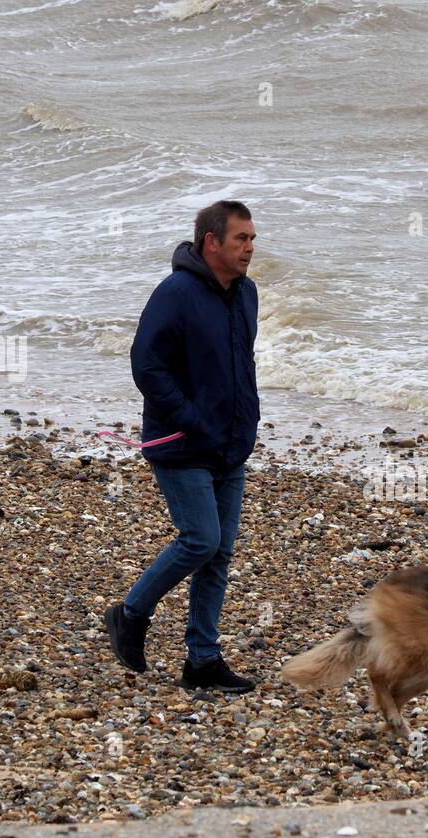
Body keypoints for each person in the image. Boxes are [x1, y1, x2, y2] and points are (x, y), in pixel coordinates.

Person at [103, 199, 259, 693]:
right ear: (211, 241)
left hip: (230, 445)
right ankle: (130, 614)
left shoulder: (246, 293)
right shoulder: (175, 293)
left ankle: (203, 660)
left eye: (253, 239)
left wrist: (244, 422)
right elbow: (147, 365)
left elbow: (240, 365)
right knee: (200, 539)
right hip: (181, 442)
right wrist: (191, 419)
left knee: (219, 554)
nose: (250, 248)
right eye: (241, 239)